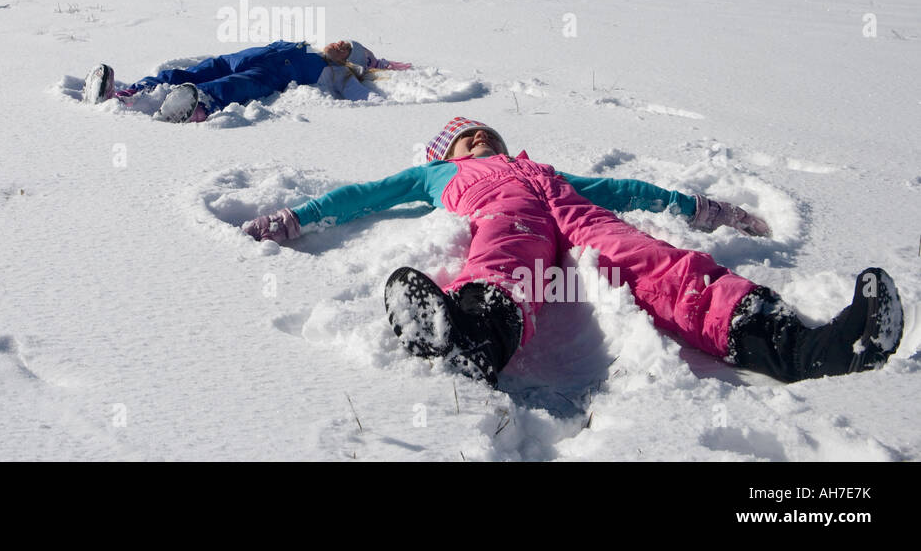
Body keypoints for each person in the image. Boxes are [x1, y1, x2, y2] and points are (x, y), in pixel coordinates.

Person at [241, 116, 902, 386]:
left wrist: (704, 208)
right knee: (505, 252)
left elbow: (620, 188)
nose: (479, 142)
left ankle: (802, 345)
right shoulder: (435, 176)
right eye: (466, 139)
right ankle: (477, 331)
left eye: (484, 136)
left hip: (574, 211)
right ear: (445, 152)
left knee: (653, 260)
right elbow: (364, 194)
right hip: (507, 213)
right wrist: (296, 218)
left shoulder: (544, 166)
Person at [82, 40, 411, 123]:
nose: (339, 45)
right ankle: (126, 93)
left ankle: (198, 104)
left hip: (273, 72)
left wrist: (384, 78)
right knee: (205, 67)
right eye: (341, 41)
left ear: (351, 62)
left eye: (347, 49)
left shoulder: (337, 75)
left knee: (239, 83)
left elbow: (368, 101)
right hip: (261, 53)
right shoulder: (309, 47)